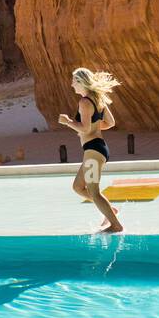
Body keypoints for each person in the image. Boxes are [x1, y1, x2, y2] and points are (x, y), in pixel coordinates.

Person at [57, 67, 122, 232]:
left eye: (74, 81)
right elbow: (110, 123)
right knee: (78, 187)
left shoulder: (85, 102)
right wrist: (93, 126)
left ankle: (115, 225)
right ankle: (110, 210)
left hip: (94, 150)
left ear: (81, 81)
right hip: (96, 149)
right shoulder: (97, 99)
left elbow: (84, 129)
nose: (72, 85)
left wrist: (68, 122)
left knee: (94, 192)